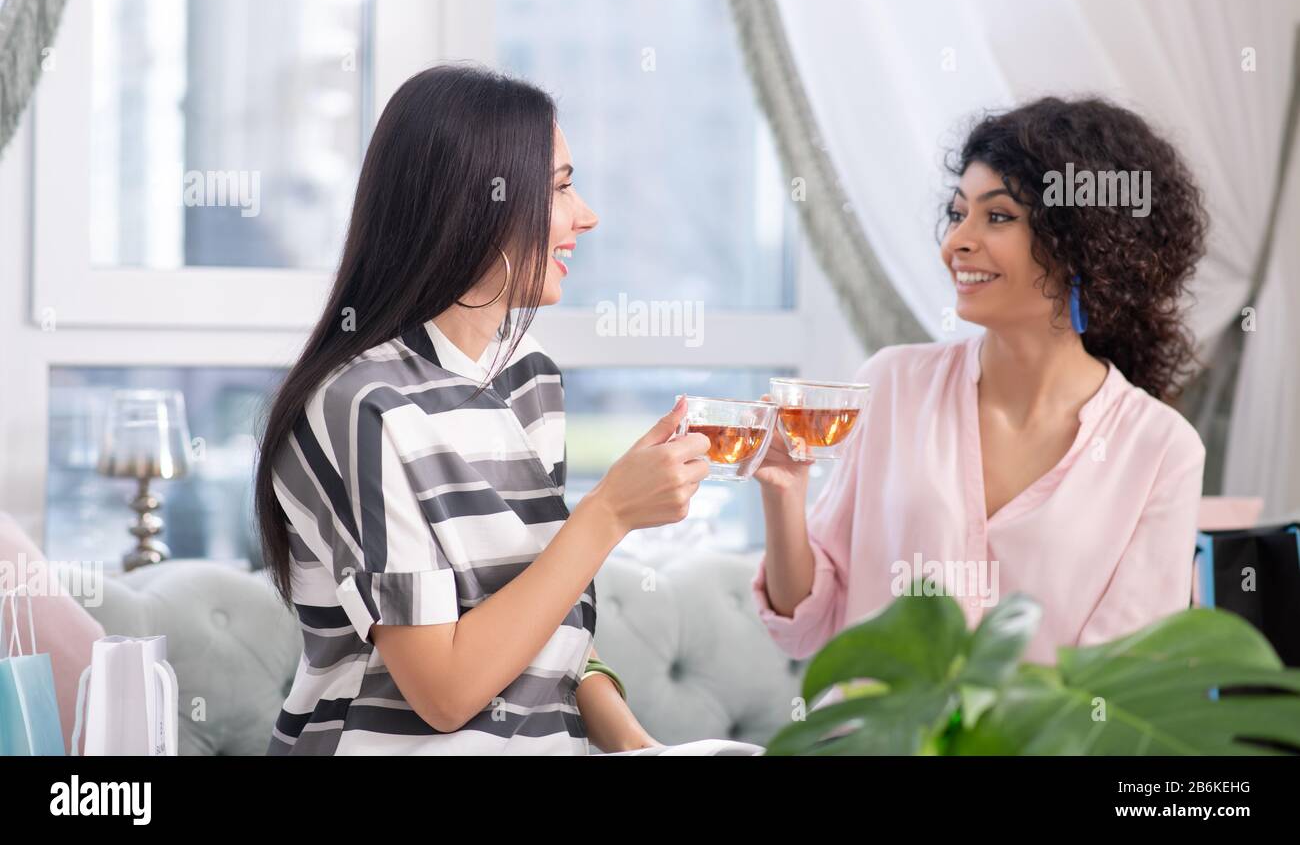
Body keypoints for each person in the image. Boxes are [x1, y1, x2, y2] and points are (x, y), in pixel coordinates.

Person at [255, 64, 760, 755]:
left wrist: (641, 749)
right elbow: (445, 693)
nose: (586, 214)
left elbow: (546, 632)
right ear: (475, 204)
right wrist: (607, 513)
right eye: (558, 187)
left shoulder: (528, 376)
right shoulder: (360, 407)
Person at [753, 96, 1209, 666]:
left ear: (1084, 243)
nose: (956, 243)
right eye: (956, 213)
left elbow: (1118, 686)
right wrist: (784, 492)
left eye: (997, 217)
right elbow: (805, 627)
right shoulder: (892, 385)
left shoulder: (1161, 450)